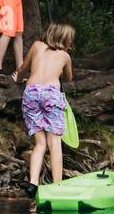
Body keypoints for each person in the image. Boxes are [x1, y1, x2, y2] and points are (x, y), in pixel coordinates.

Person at [14, 22, 76, 195]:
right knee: (54, 142)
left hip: (31, 94)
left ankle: (33, 183)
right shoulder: (65, 56)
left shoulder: (36, 46)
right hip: (51, 96)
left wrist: (19, 80)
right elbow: (69, 78)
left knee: (40, 143)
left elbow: (23, 69)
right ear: (65, 41)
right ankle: (57, 186)